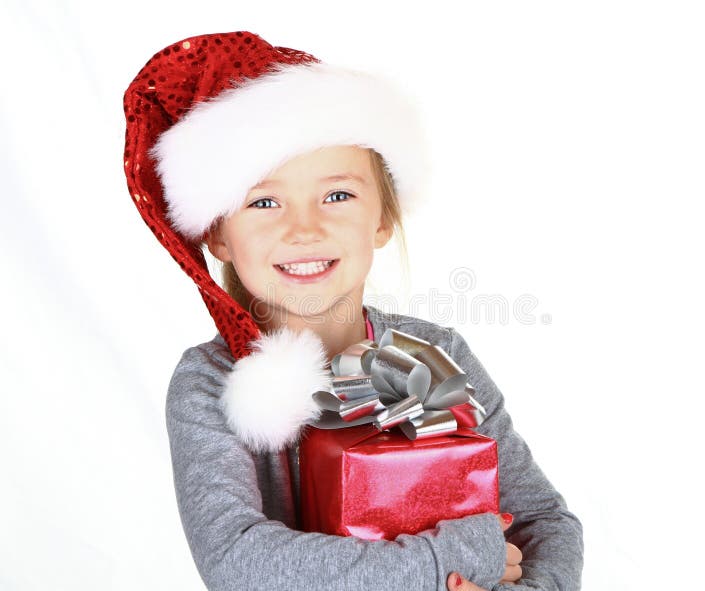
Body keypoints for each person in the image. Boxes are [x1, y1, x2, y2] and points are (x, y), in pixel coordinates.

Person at [123, 31, 583, 591]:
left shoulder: (436, 353)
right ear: (218, 235)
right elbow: (239, 561)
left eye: (337, 195)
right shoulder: (209, 382)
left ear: (382, 220)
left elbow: (543, 521)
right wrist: (449, 562)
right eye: (264, 202)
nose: (304, 228)